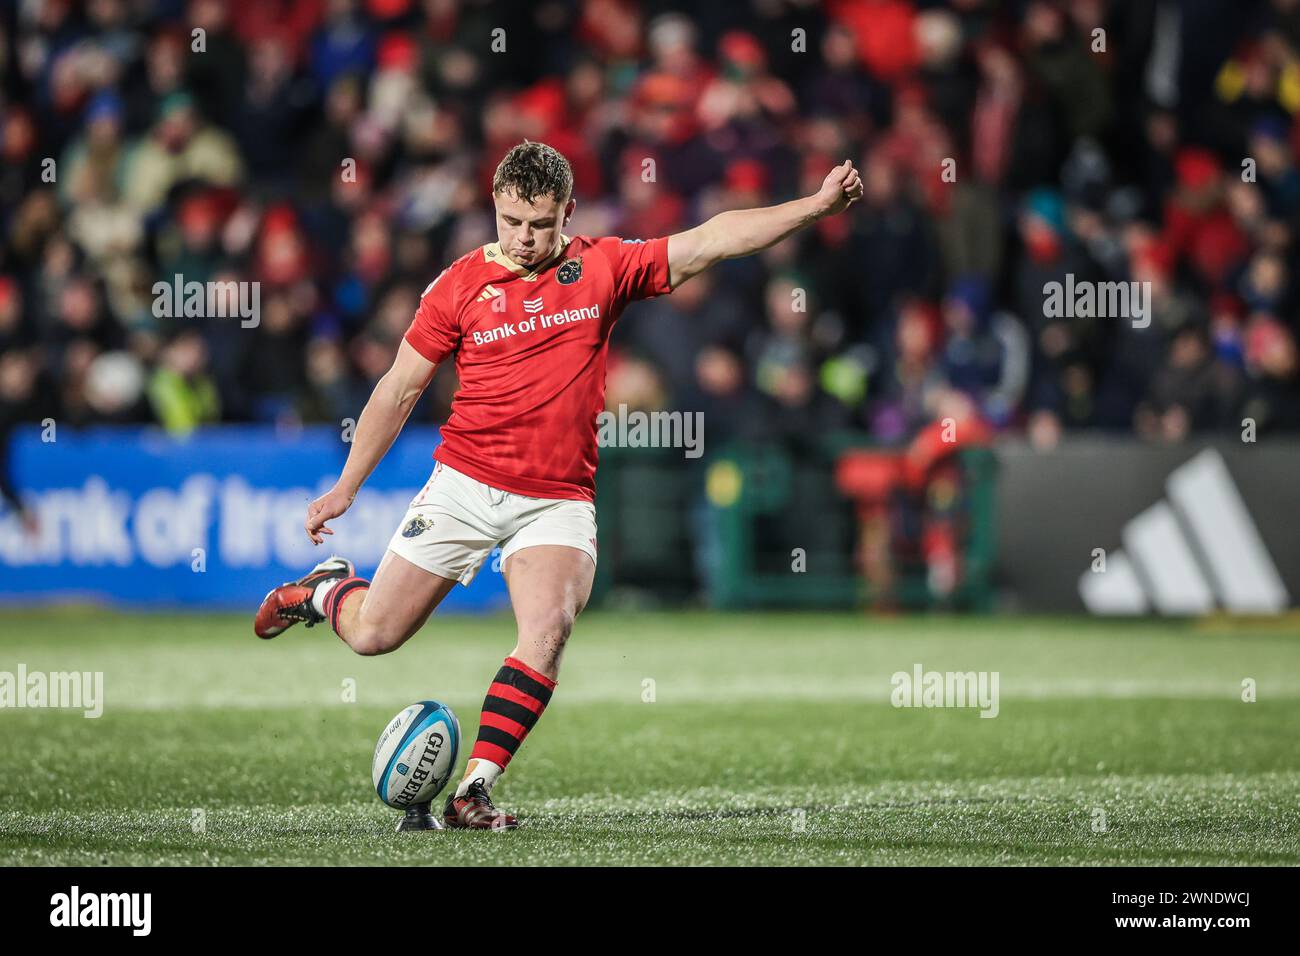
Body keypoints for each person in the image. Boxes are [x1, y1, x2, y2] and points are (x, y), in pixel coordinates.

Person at [253, 141, 863, 829]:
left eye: (539, 223)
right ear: (495, 207)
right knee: (373, 637)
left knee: (547, 630)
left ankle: (473, 789)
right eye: (511, 220)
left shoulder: (603, 266)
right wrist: (346, 488)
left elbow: (711, 240)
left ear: (566, 212)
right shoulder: (456, 287)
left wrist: (813, 207)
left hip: (556, 499)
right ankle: (328, 588)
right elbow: (398, 390)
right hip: (464, 483)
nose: (523, 237)